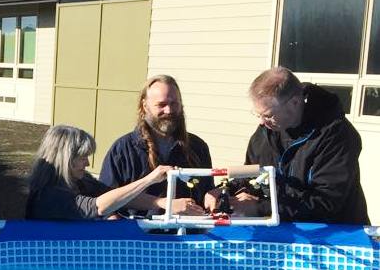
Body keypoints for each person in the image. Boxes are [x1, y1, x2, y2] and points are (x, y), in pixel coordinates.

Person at [207, 67, 368, 224]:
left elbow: (326, 204)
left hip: (335, 235)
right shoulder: (266, 132)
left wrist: (261, 208)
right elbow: (251, 173)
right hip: (283, 230)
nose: (262, 122)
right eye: (258, 115)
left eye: (268, 115)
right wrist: (224, 190)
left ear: (295, 102)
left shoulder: (336, 135)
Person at [26, 125, 203, 220]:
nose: (87, 163)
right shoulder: (48, 195)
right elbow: (98, 206)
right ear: (64, 158)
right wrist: (149, 179)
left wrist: (164, 203)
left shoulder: (83, 181)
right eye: (82, 158)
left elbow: (116, 197)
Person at [100, 75, 213, 210]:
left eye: (174, 104)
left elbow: (207, 193)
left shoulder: (197, 147)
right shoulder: (123, 149)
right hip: (137, 229)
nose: (169, 110)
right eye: (161, 105)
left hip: (187, 230)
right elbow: (105, 201)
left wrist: (213, 195)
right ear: (144, 106)